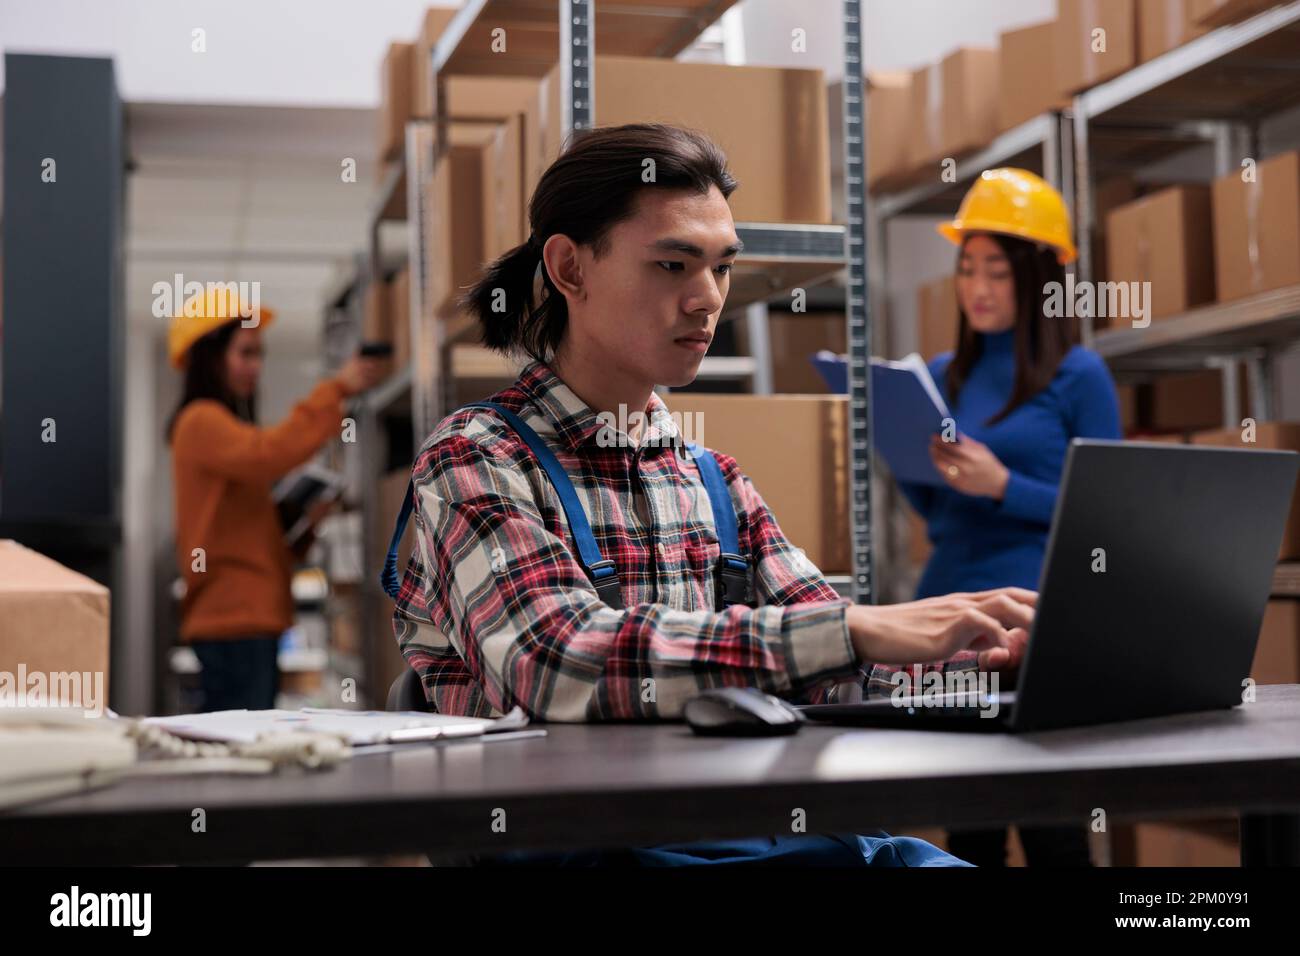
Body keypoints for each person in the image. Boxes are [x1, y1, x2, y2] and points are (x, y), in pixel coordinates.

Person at [389, 124, 1036, 866]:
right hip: (582, 848)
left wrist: (976, 667)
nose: (708, 300)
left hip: (753, 835)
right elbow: (558, 663)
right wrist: (859, 628)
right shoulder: (476, 458)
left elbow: (835, 676)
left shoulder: (714, 481)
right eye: (673, 264)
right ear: (570, 267)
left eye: (723, 268)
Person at [897, 168, 1123, 866]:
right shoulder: (944, 372)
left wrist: (1003, 486)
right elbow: (938, 516)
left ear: (1038, 277)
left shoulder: (1080, 375)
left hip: (1038, 622)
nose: (978, 288)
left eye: (997, 270)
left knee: (1053, 829)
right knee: (970, 830)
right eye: (967, 269)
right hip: (949, 610)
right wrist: (909, 458)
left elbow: (1107, 521)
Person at [167, 288, 385, 712]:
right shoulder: (200, 422)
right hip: (233, 624)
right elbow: (271, 453)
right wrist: (336, 388)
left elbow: (249, 535)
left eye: (259, 354)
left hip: (248, 621)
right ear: (210, 357)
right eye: (245, 353)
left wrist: (303, 525)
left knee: (244, 750)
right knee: (242, 759)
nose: (256, 367)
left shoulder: (219, 427)